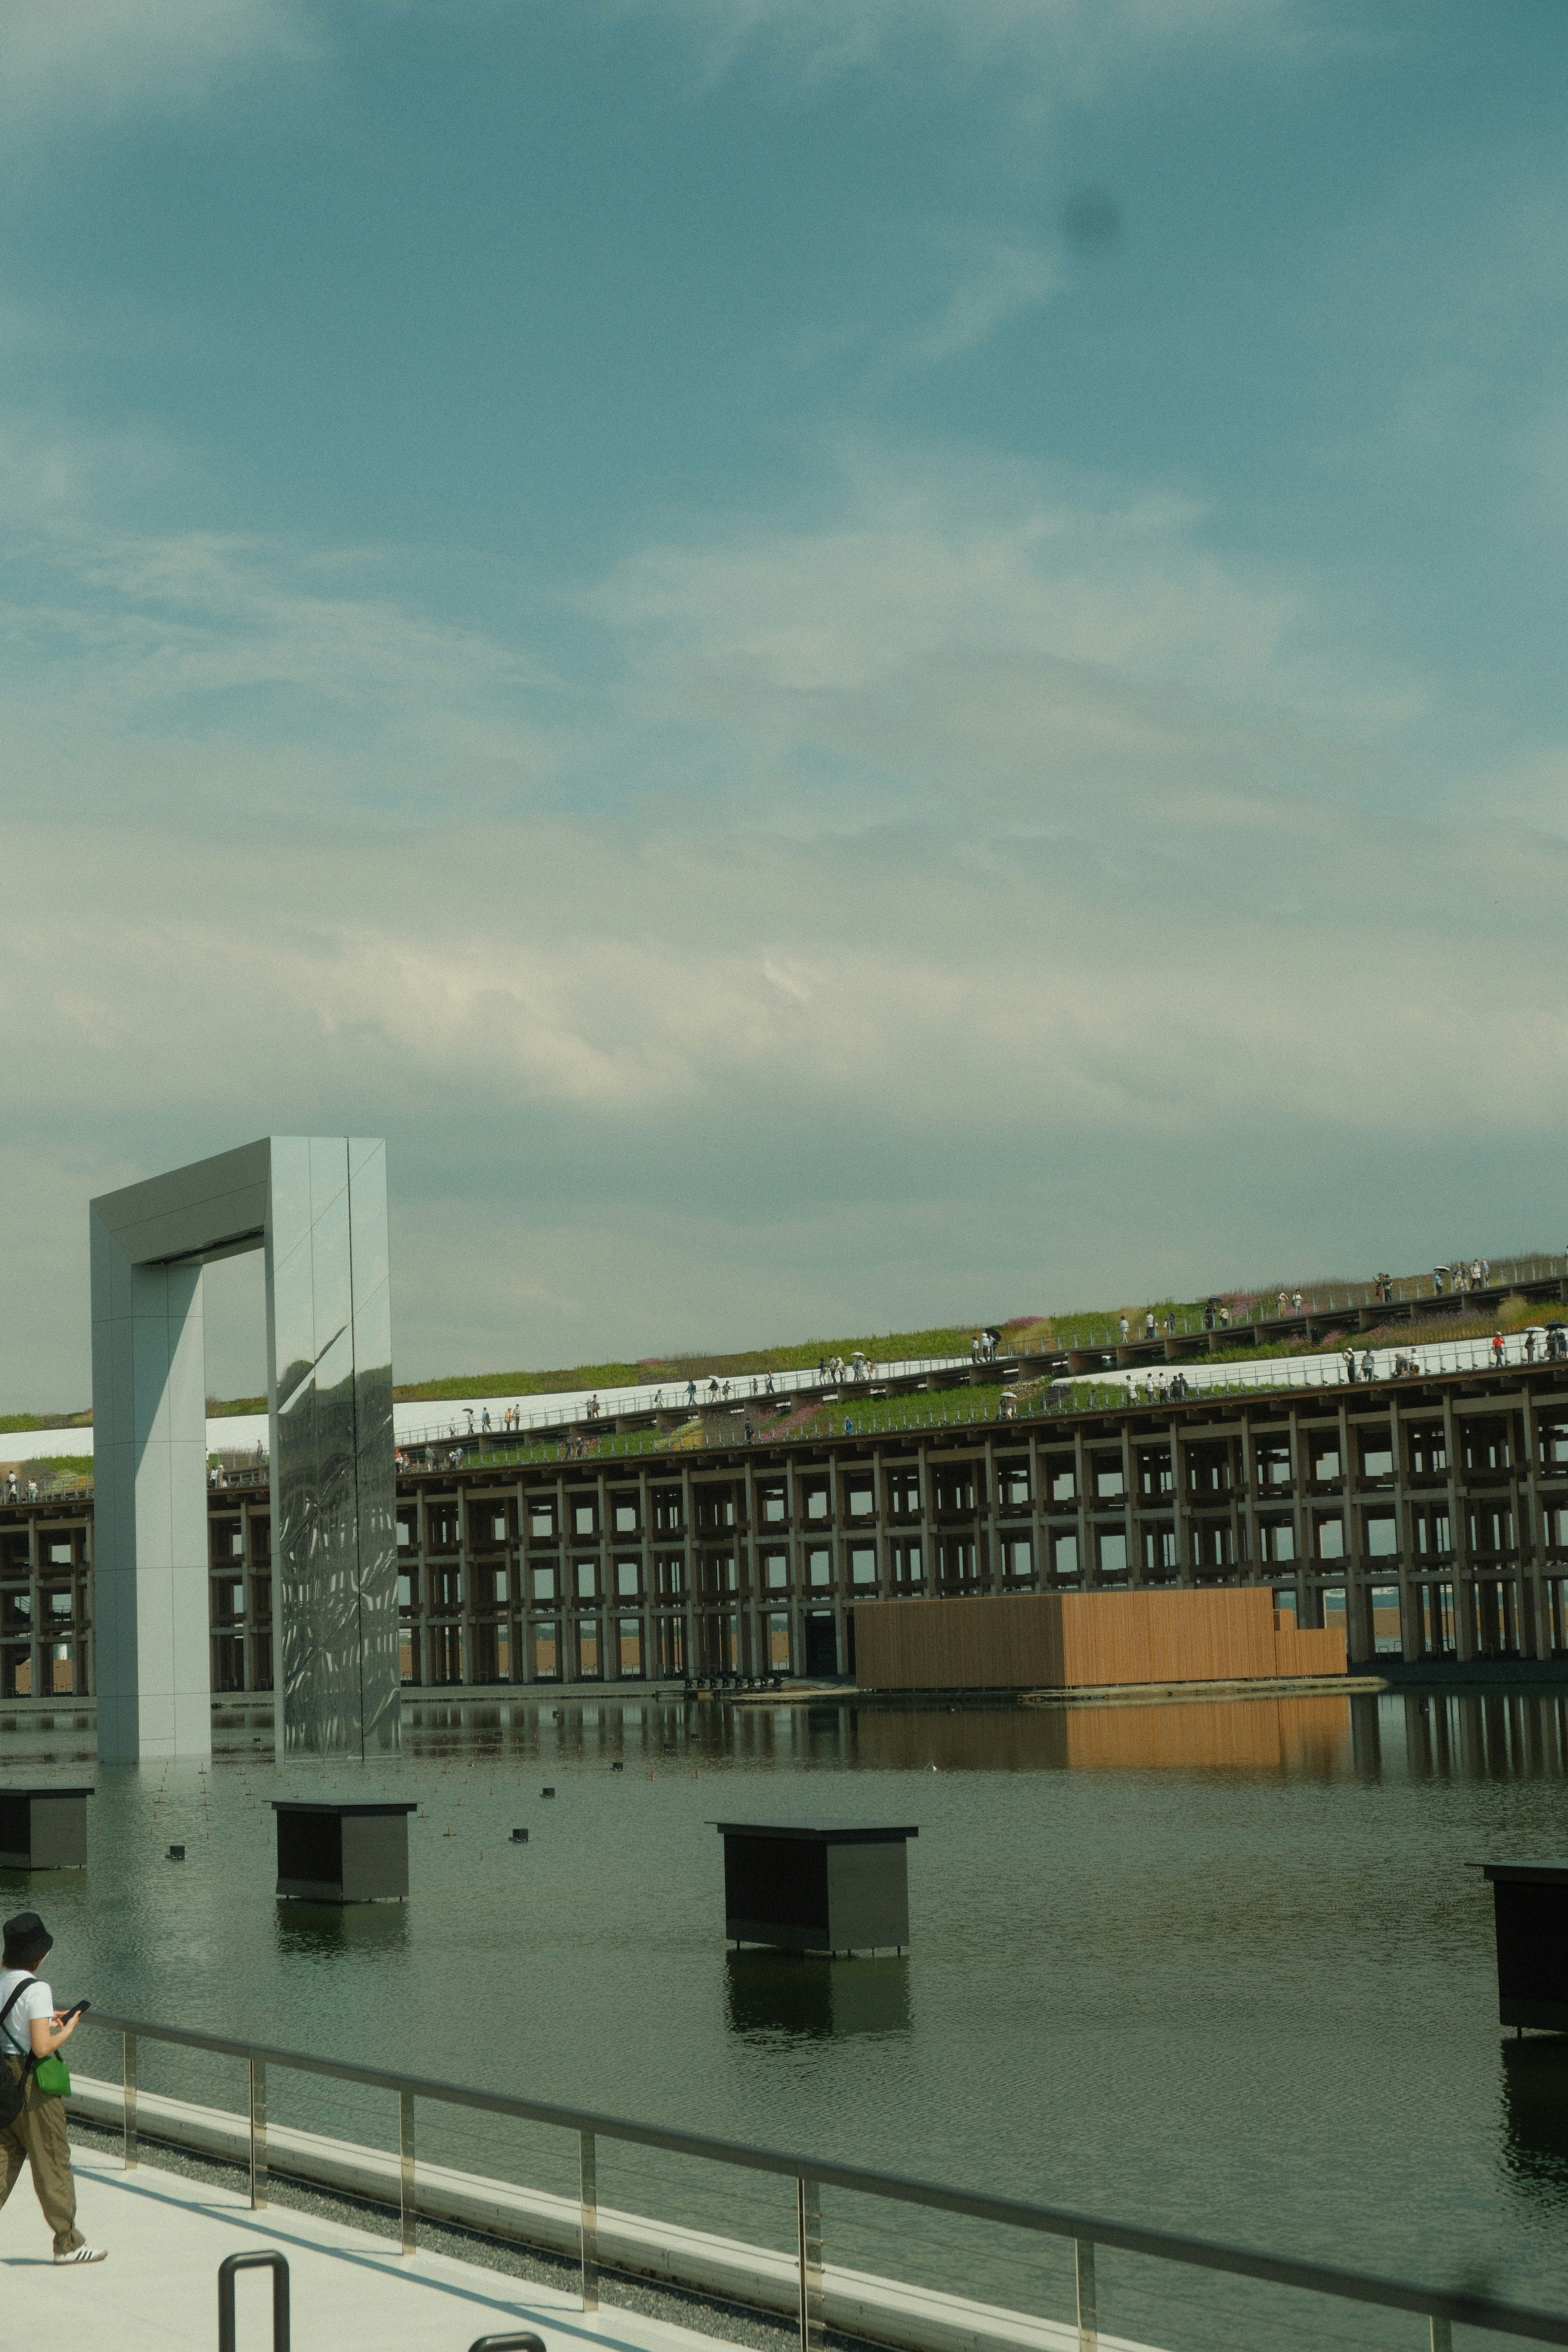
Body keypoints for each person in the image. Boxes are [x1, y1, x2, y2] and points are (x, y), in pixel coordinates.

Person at [0, 1911, 103, 2263]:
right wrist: (67, 2029)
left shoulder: (2, 1982)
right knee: (52, 2159)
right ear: (38, 1955)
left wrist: (46, 2018)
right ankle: (68, 2244)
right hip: (33, 2086)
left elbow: (15, 2025)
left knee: (5, 2155)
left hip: (3, 2079)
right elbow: (42, 2048)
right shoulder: (38, 1988)